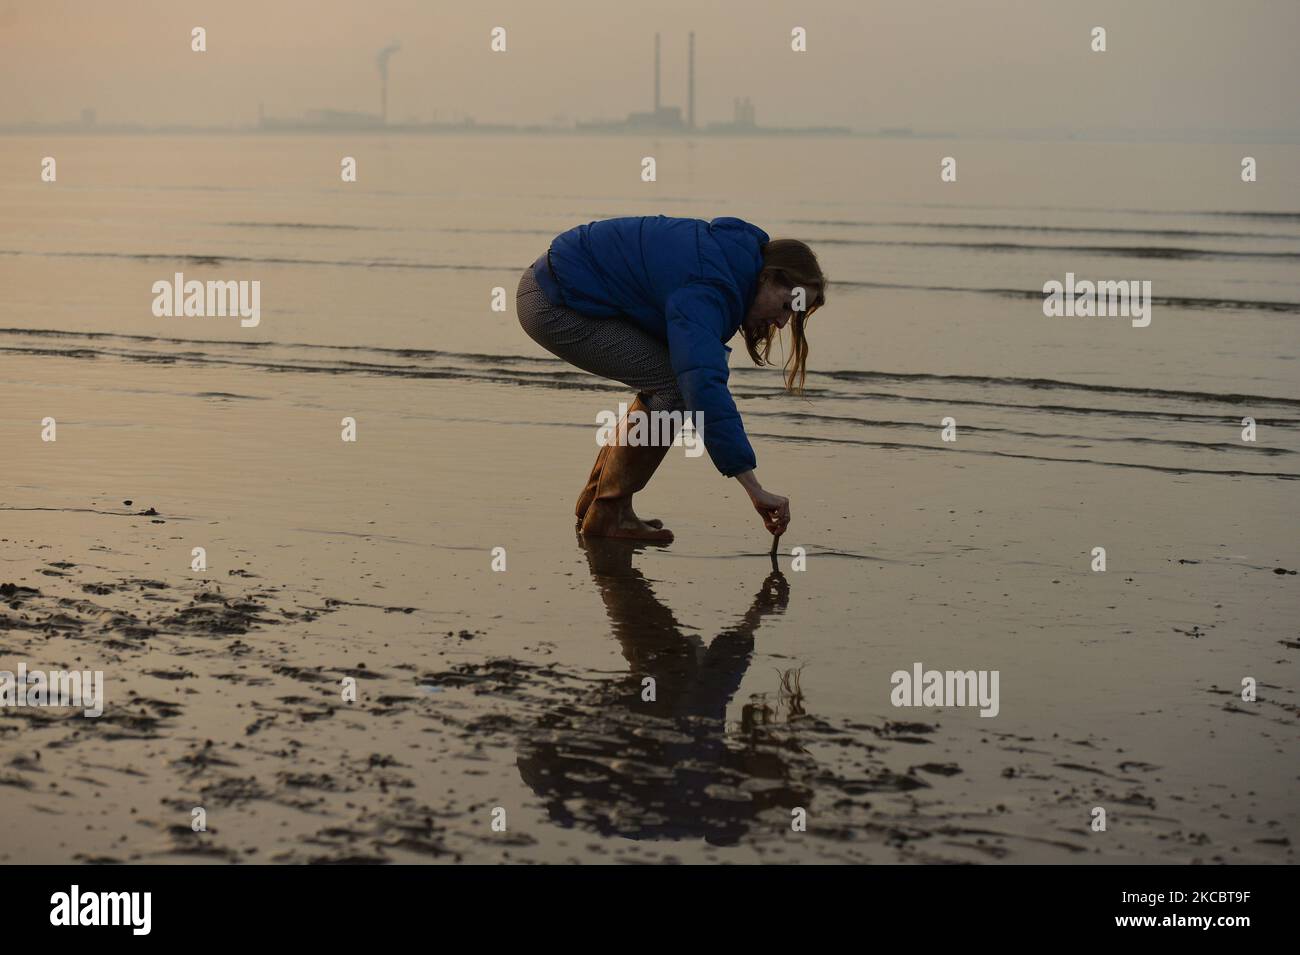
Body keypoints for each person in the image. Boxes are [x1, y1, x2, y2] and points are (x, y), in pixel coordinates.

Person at [516, 215, 826, 543]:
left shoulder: (730, 259)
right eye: (786, 306)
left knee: (671, 377)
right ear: (769, 277)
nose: (781, 322)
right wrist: (754, 488)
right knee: (676, 384)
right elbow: (703, 387)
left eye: (793, 314)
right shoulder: (712, 286)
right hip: (554, 302)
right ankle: (609, 512)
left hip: (558, 283)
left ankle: (599, 503)